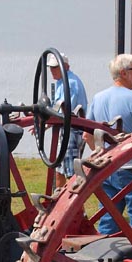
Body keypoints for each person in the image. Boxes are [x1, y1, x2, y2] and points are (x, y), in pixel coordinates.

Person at [85, 54, 132, 234]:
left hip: (107, 167)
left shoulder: (98, 98)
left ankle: (103, 257)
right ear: (123, 73)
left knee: (108, 218)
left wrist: (103, 154)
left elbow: (86, 135)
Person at [47, 54, 88, 188]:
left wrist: (47, 122)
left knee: (71, 171)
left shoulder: (70, 82)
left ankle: (76, 207)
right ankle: (59, 203)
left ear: (66, 67)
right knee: (60, 168)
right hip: (66, 128)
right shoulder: (62, 82)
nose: (52, 70)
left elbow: (66, 110)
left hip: (72, 129)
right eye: (51, 67)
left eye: (55, 67)